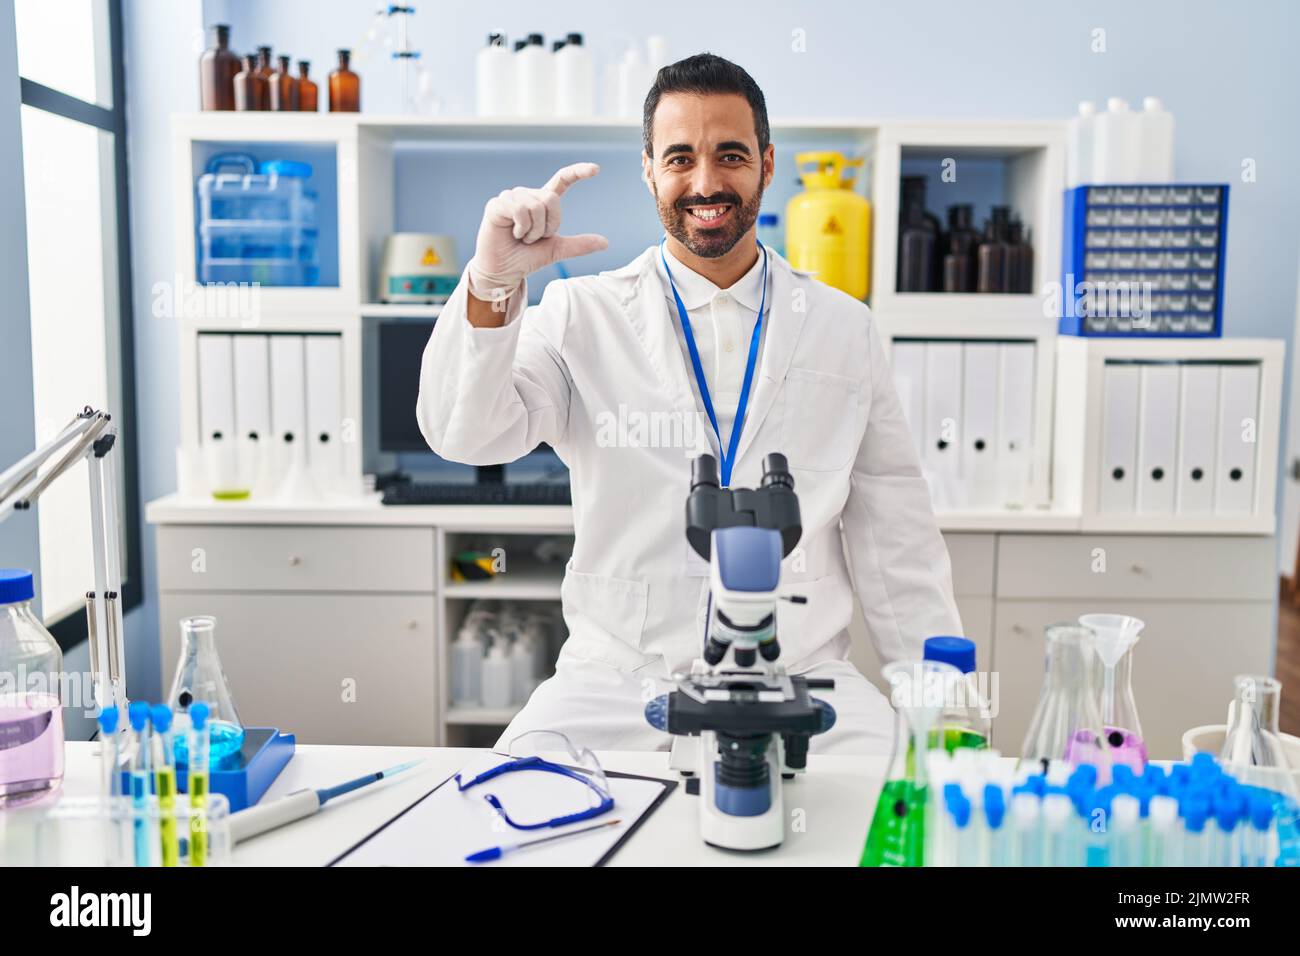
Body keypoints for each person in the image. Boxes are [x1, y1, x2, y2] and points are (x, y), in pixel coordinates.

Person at [417, 53, 961, 753]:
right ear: (649, 169)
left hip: (803, 682)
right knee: (519, 812)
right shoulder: (583, 314)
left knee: (893, 824)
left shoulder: (841, 327)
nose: (706, 182)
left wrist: (943, 713)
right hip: (618, 683)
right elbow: (465, 434)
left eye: (730, 155)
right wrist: (492, 282)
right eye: (680, 158)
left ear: (767, 164)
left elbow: (898, 542)